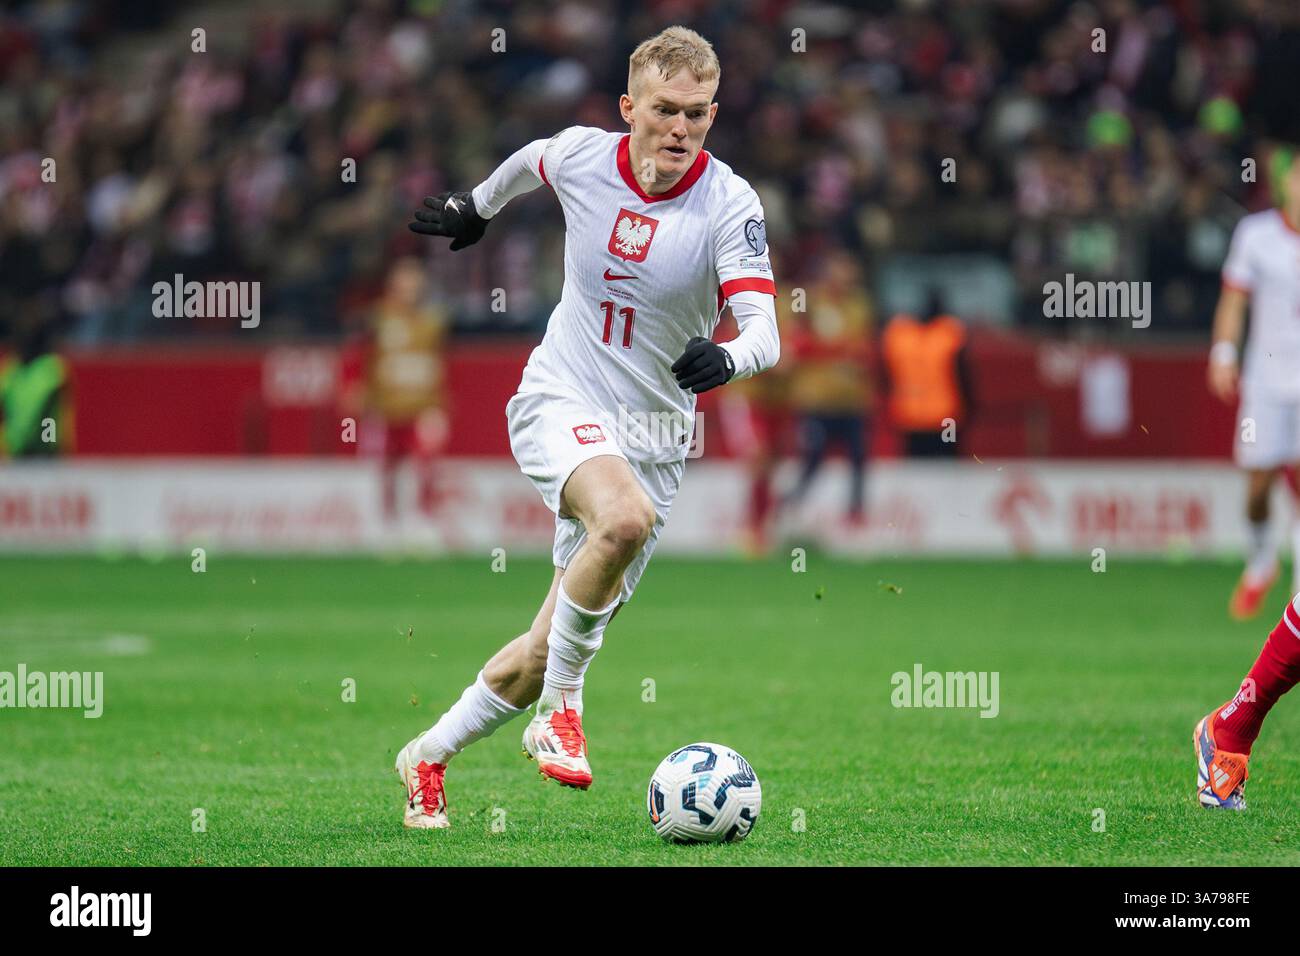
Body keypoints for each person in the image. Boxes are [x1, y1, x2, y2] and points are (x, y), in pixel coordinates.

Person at [394, 26, 779, 829]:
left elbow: (765, 331)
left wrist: (730, 359)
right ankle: (564, 713)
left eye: (699, 115)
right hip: (560, 396)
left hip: (655, 440)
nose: (682, 129)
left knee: (538, 654)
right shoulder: (583, 156)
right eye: (667, 110)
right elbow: (532, 158)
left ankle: (427, 755)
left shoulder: (728, 202)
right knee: (623, 521)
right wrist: (476, 208)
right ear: (628, 107)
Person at [1208, 146, 1300, 620]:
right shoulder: (1256, 235)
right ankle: (1261, 563)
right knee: (1259, 487)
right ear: (1286, 183)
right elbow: (1233, 301)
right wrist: (1224, 352)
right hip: (1266, 380)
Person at [339, 256, 449, 525]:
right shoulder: (377, 318)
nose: (411, 287)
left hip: (422, 406)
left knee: (426, 463)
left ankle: (424, 520)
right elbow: (357, 355)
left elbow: (441, 363)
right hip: (384, 407)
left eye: (415, 280)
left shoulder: (433, 321)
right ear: (393, 284)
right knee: (385, 468)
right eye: (405, 280)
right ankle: (386, 523)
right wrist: (353, 385)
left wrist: (442, 400)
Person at [779, 250, 874, 525]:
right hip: (817, 399)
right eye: (840, 269)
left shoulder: (859, 304)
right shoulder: (809, 301)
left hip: (852, 399)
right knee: (813, 458)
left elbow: (865, 348)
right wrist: (839, 351)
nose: (846, 276)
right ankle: (790, 508)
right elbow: (795, 344)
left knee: (858, 457)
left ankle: (855, 515)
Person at [880, 292, 972, 458]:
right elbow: (963, 376)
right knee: (947, 461)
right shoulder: (949, 334)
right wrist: (970, 409)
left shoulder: (899, 336)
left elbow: (886, 377)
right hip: (946, 418)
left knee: (916, 466)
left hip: (910, 415)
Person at [0, 316, 72, 458]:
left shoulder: (50, 368)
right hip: (16, 452)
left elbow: (45, 414)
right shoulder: (10, 370)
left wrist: (50, 444)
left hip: (45, 452)